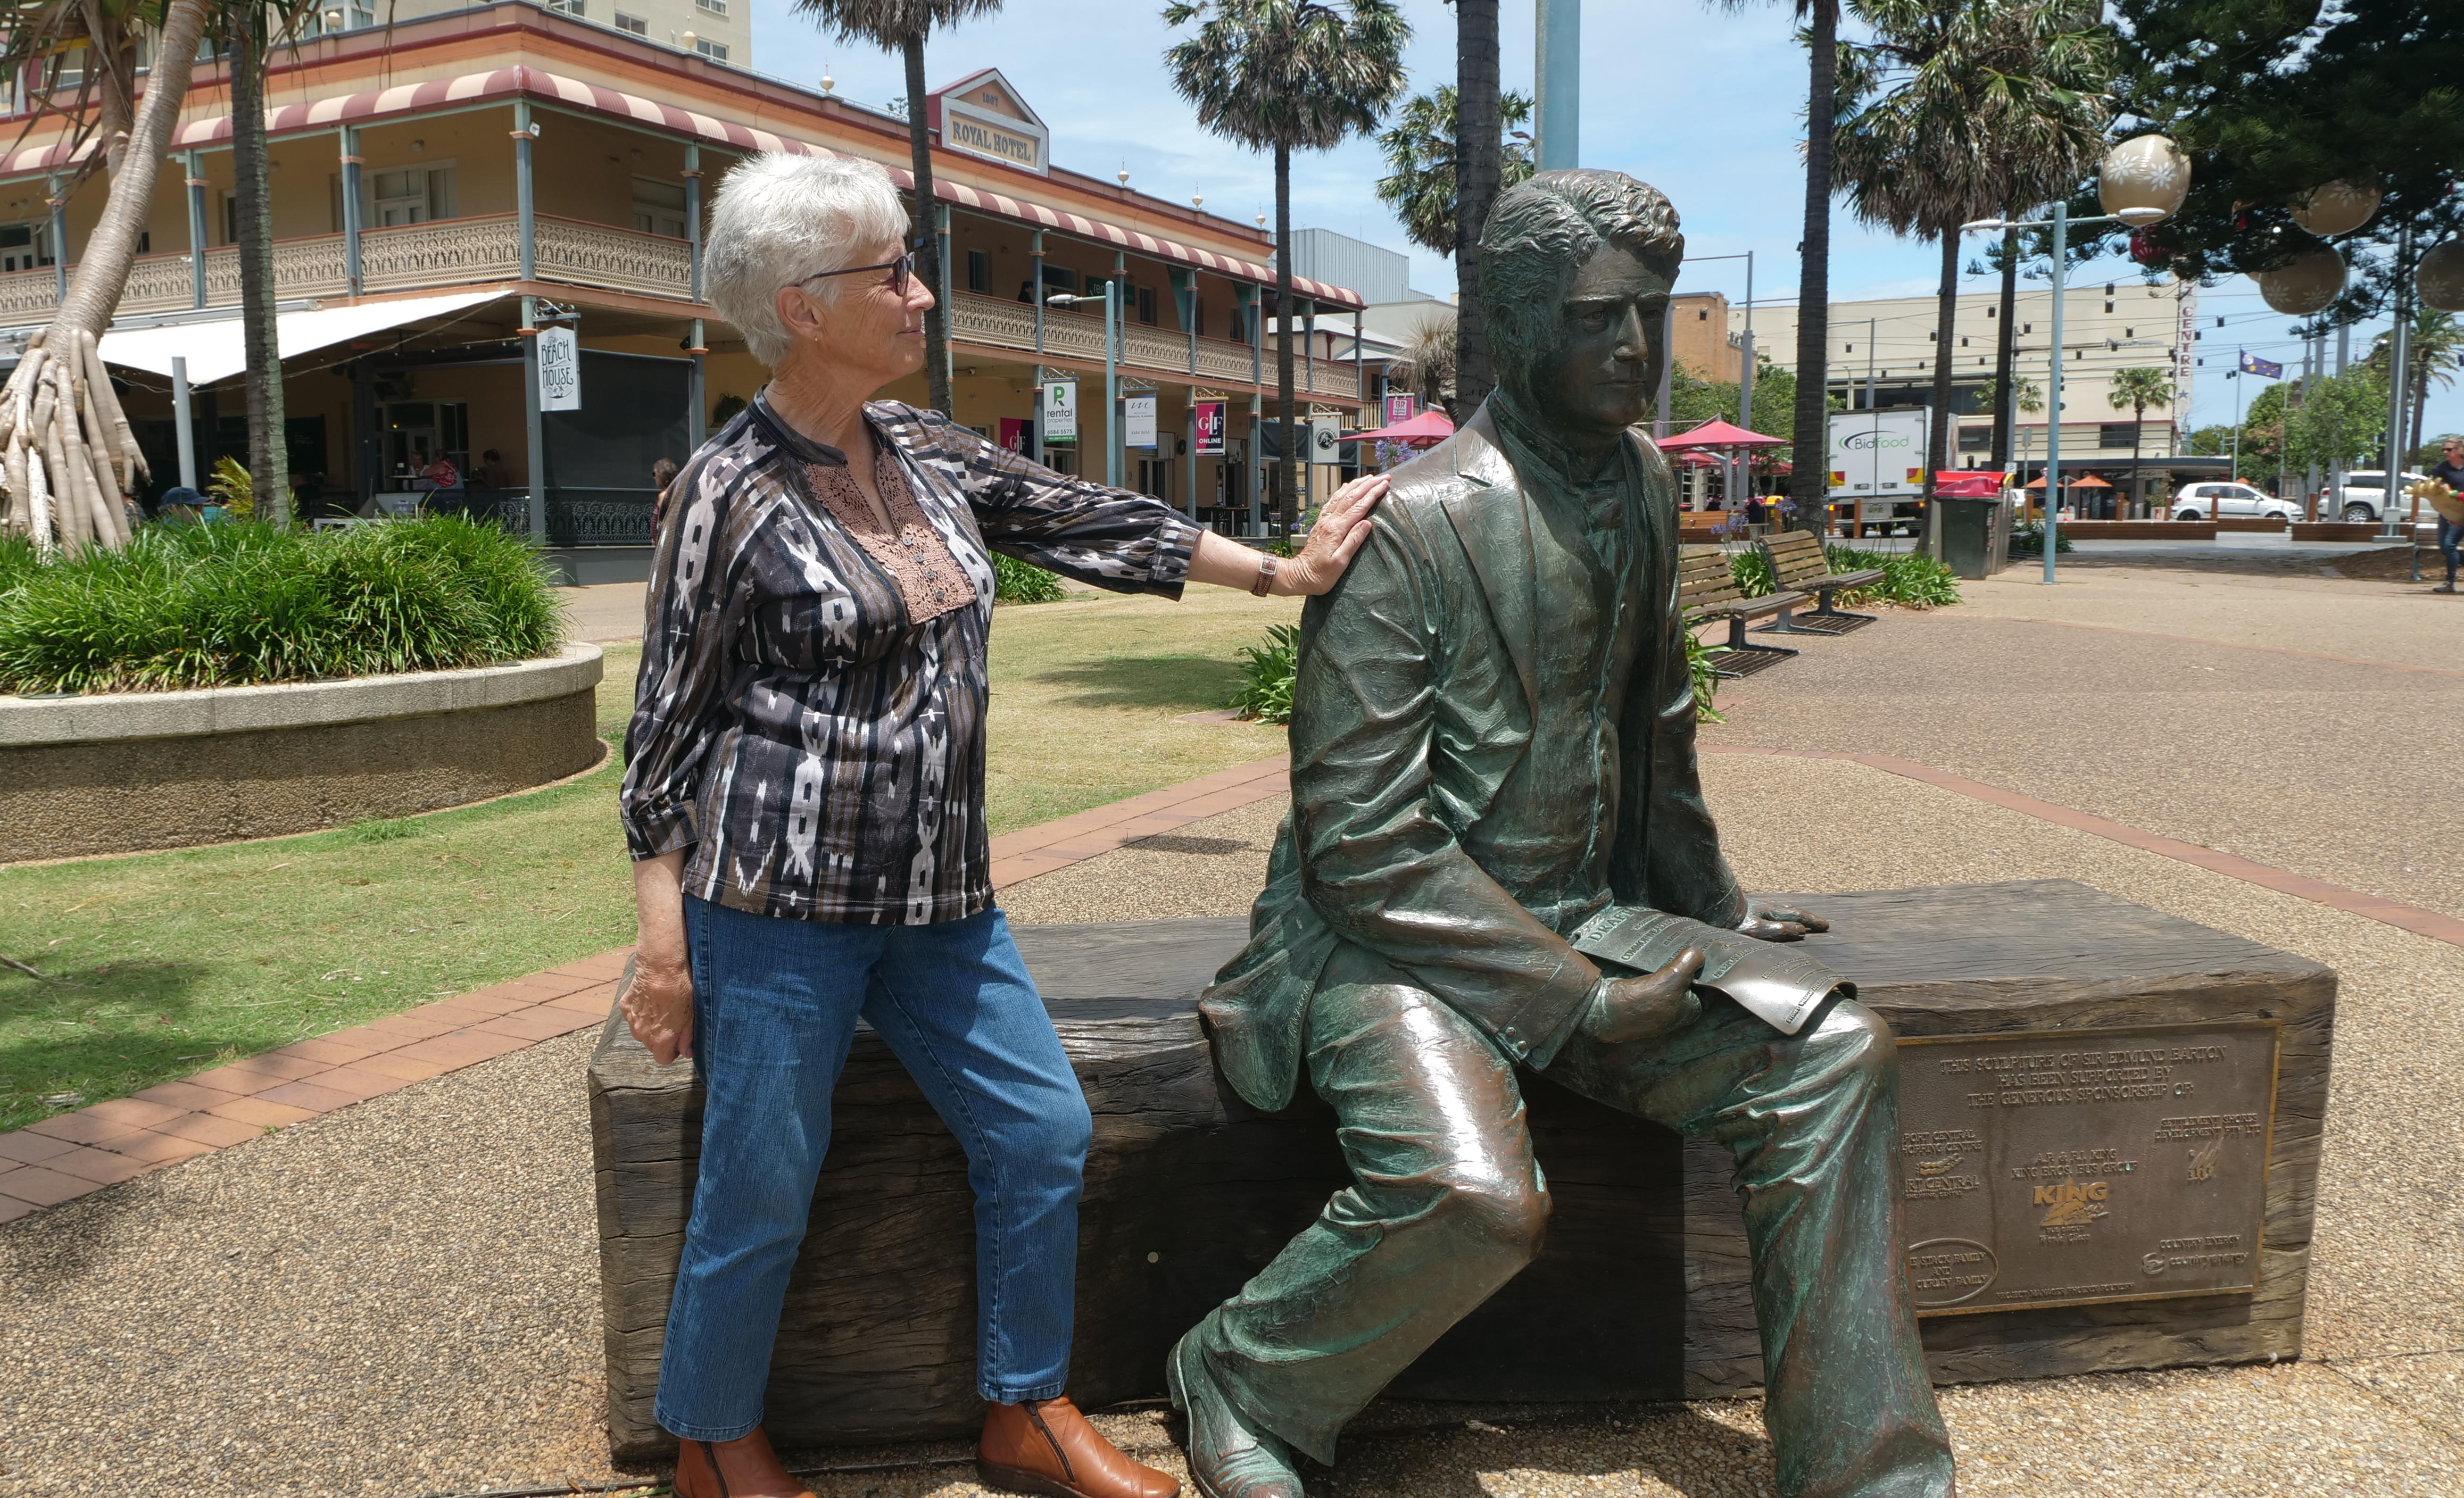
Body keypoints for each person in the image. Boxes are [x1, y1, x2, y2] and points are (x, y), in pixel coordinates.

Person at [1164, 170, 1955, 1498]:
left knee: (1836, 1053)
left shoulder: (1647, 484)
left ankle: (1870, 1473)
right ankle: (1243, 1373)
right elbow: (1358, 843)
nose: (1636, 353)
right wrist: (1575, 1000)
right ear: (1520, 319)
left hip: (1586, 909)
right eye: (1601, 319)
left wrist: (1713, 906)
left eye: (1649, 316)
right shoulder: (1408, 526)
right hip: (1392, 943)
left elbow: (1656, 734)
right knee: (1473, 1200)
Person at [617, 151, 1386, 1498]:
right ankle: (713, 1442)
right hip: (774, 916)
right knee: (758, 1189)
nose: (921, 295)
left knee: (1040, 1131)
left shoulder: (925, 449)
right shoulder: (724, 492)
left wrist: (1288, 571)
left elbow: (1093, 519)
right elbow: (666, 727)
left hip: (943, 904)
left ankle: (1023, 1412)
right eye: (894, 272)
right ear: (802, 306)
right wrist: (664, 947)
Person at [2429, 436, 2463, 594]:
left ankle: (2450, 583)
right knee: (2445, 547)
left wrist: (2458, 495)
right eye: (2444, 449)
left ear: (2460, 450)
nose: (2445, 452)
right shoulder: (2441, 468)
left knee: (2450, 544)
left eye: (2449, 449)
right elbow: (2436, 485)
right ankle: (2450, 581)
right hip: (2449, 512)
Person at [649, 455, 681, 528]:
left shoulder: (664, 495)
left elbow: (660, 521)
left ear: (661, 476)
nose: (654, 478)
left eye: (655, 474)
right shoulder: (679, 491)